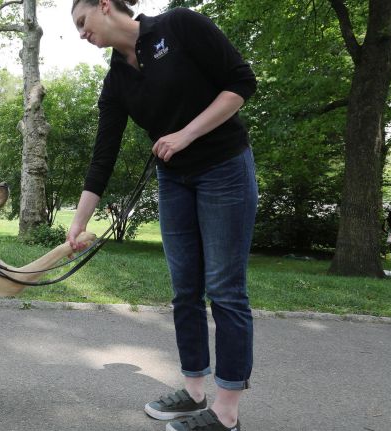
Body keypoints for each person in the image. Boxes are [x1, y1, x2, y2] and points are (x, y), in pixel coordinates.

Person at [67, 1, 257, 430]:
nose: (81, 34)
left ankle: (227, 414)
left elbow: (242, 83)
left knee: (225, 289)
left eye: (82, 22)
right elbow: (104, 155)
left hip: (224, 167)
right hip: (174, 180)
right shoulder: (116, 79)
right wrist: (79, 222)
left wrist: (187, 134)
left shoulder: (179, 25)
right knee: (184, 289)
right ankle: (193, 393)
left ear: (104, 5)